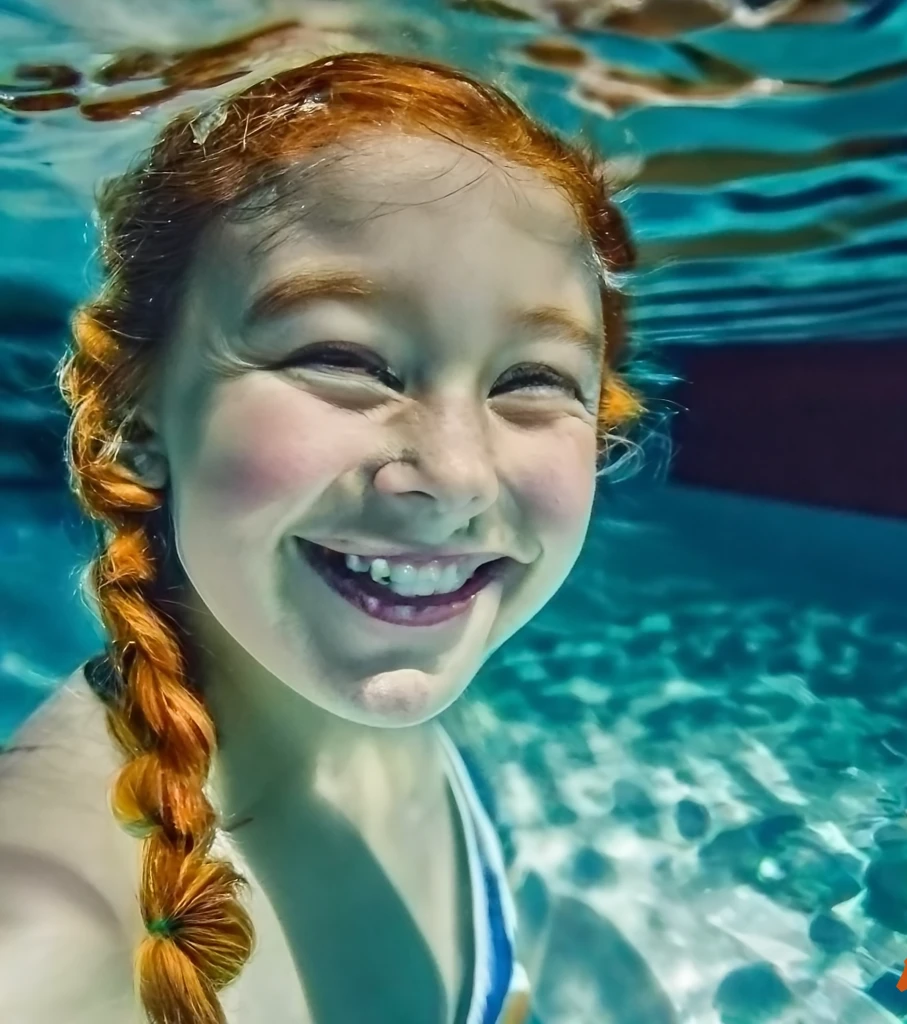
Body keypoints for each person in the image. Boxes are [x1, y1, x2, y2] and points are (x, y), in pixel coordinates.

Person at [0, 51, 644, 1024]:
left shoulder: (384, 678)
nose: (458, 477)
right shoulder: (53, 934)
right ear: (137, 417)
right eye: (340, 356)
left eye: (534, 378)